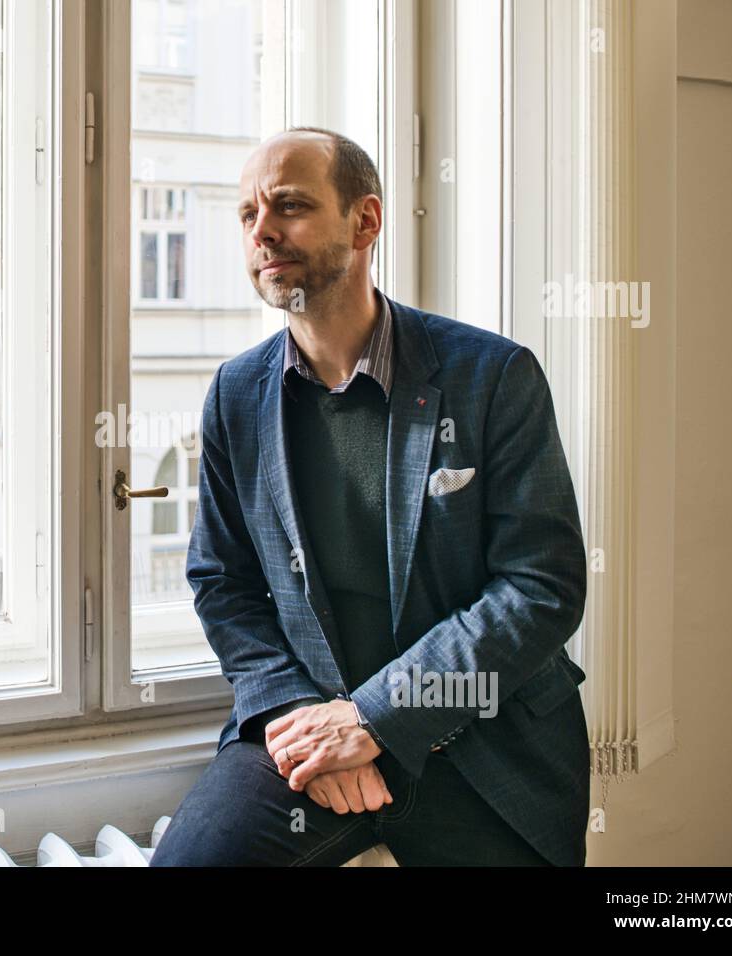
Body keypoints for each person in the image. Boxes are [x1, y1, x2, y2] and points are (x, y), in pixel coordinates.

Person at [149, 127, 590, 867]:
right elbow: (222, 583)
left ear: (366, 221)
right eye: (247, 214)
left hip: (481, 745)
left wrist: (377, 718)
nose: (262, 231)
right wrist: (301, 718)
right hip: (304, 733)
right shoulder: (234, 395)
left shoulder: (494, 376)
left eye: (287, 205)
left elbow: (541, 585)